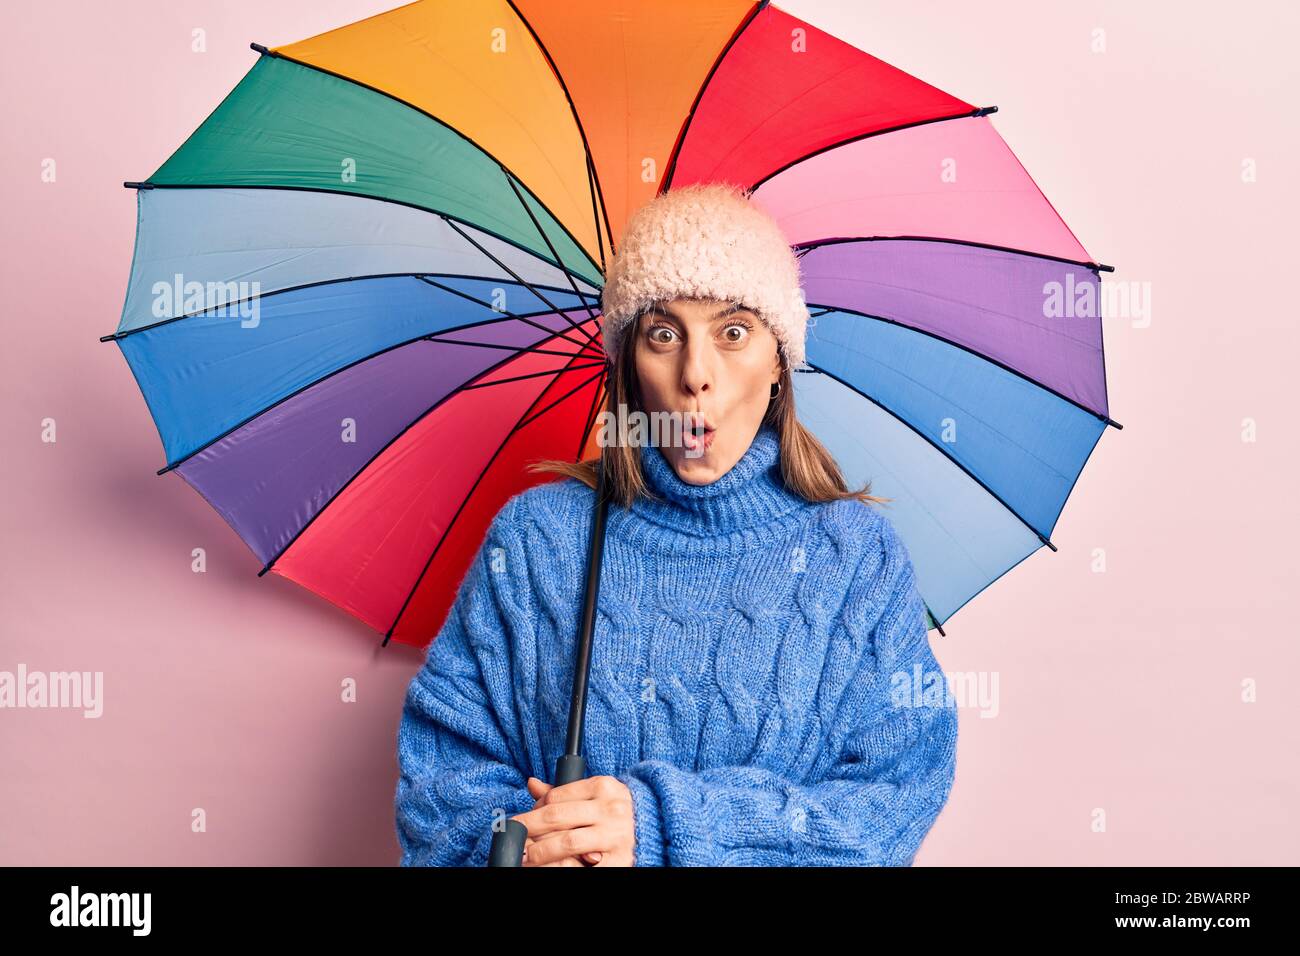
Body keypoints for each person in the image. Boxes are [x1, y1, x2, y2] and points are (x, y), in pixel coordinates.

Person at [395, 181, 958, 867]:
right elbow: (439, 791)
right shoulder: (538, 541)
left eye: (734, 332)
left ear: (779, 360)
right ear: (628, 363)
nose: (697, 374)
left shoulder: (856, 559)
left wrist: (667, 828)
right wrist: (519, 849)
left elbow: (893, 801)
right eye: (663, 334)